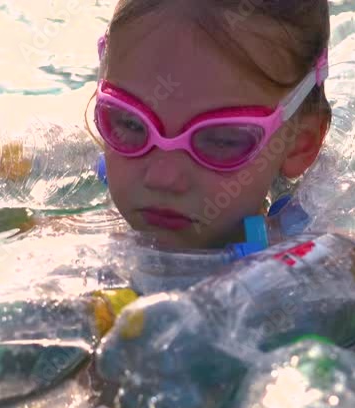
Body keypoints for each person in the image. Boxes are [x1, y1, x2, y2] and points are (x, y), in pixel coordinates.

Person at [88, 0, 331, 250]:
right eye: (131, 124)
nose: (163, 178)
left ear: (300, 144)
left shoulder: (323, 259)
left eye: (221, 140)